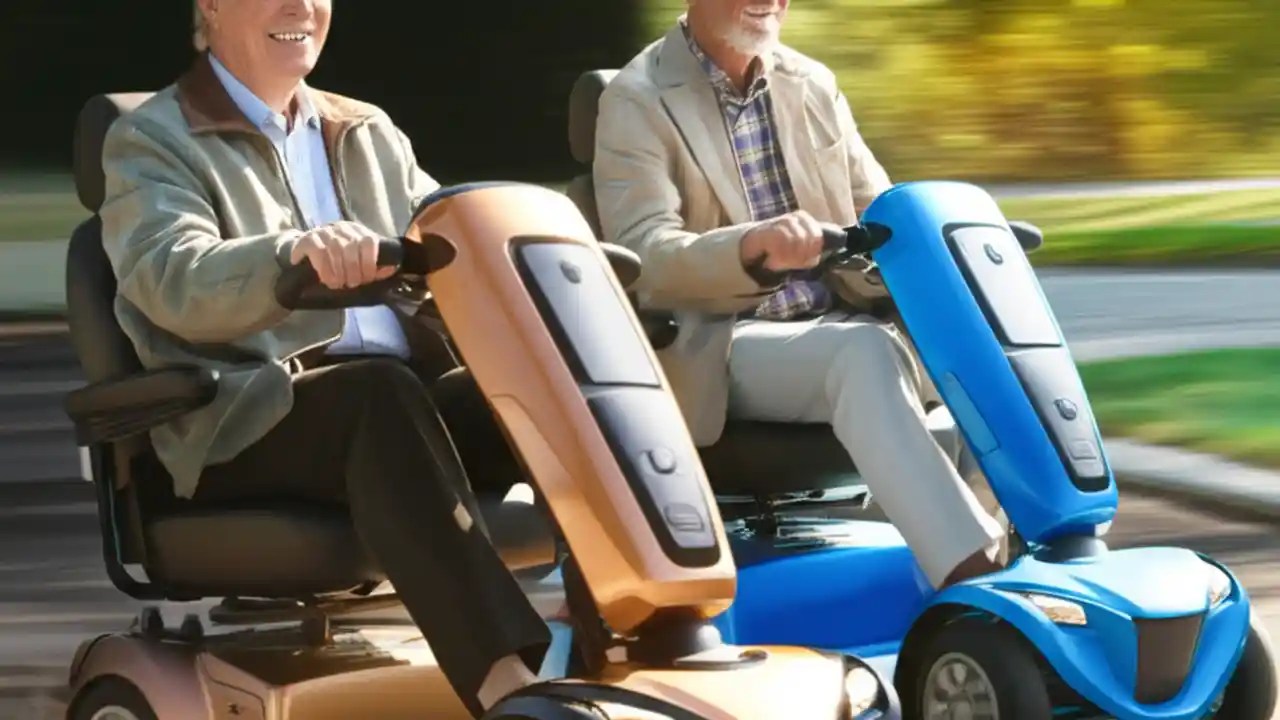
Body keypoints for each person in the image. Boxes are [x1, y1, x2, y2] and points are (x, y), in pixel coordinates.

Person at [98, 0, 548, 715]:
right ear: (211, 7)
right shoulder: (151, 138)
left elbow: (450, 236)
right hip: (244, 417)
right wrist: (289, 254)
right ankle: (507, 687)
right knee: (377, 394)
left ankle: (618, 640)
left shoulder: (365, 129)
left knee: (534, 389)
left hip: (396, 410)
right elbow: (169, 276)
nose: (300, 6)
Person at [592, 0, 1009, 589]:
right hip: (722, 342)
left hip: (837, 319)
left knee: (977, 331)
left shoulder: (812, 83)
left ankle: (1035, 549)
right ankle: (974, 579)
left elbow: (880, 212)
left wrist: (956, 247)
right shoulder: (637, 99)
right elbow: (644, 258)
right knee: (861, 352)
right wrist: (748, 248)